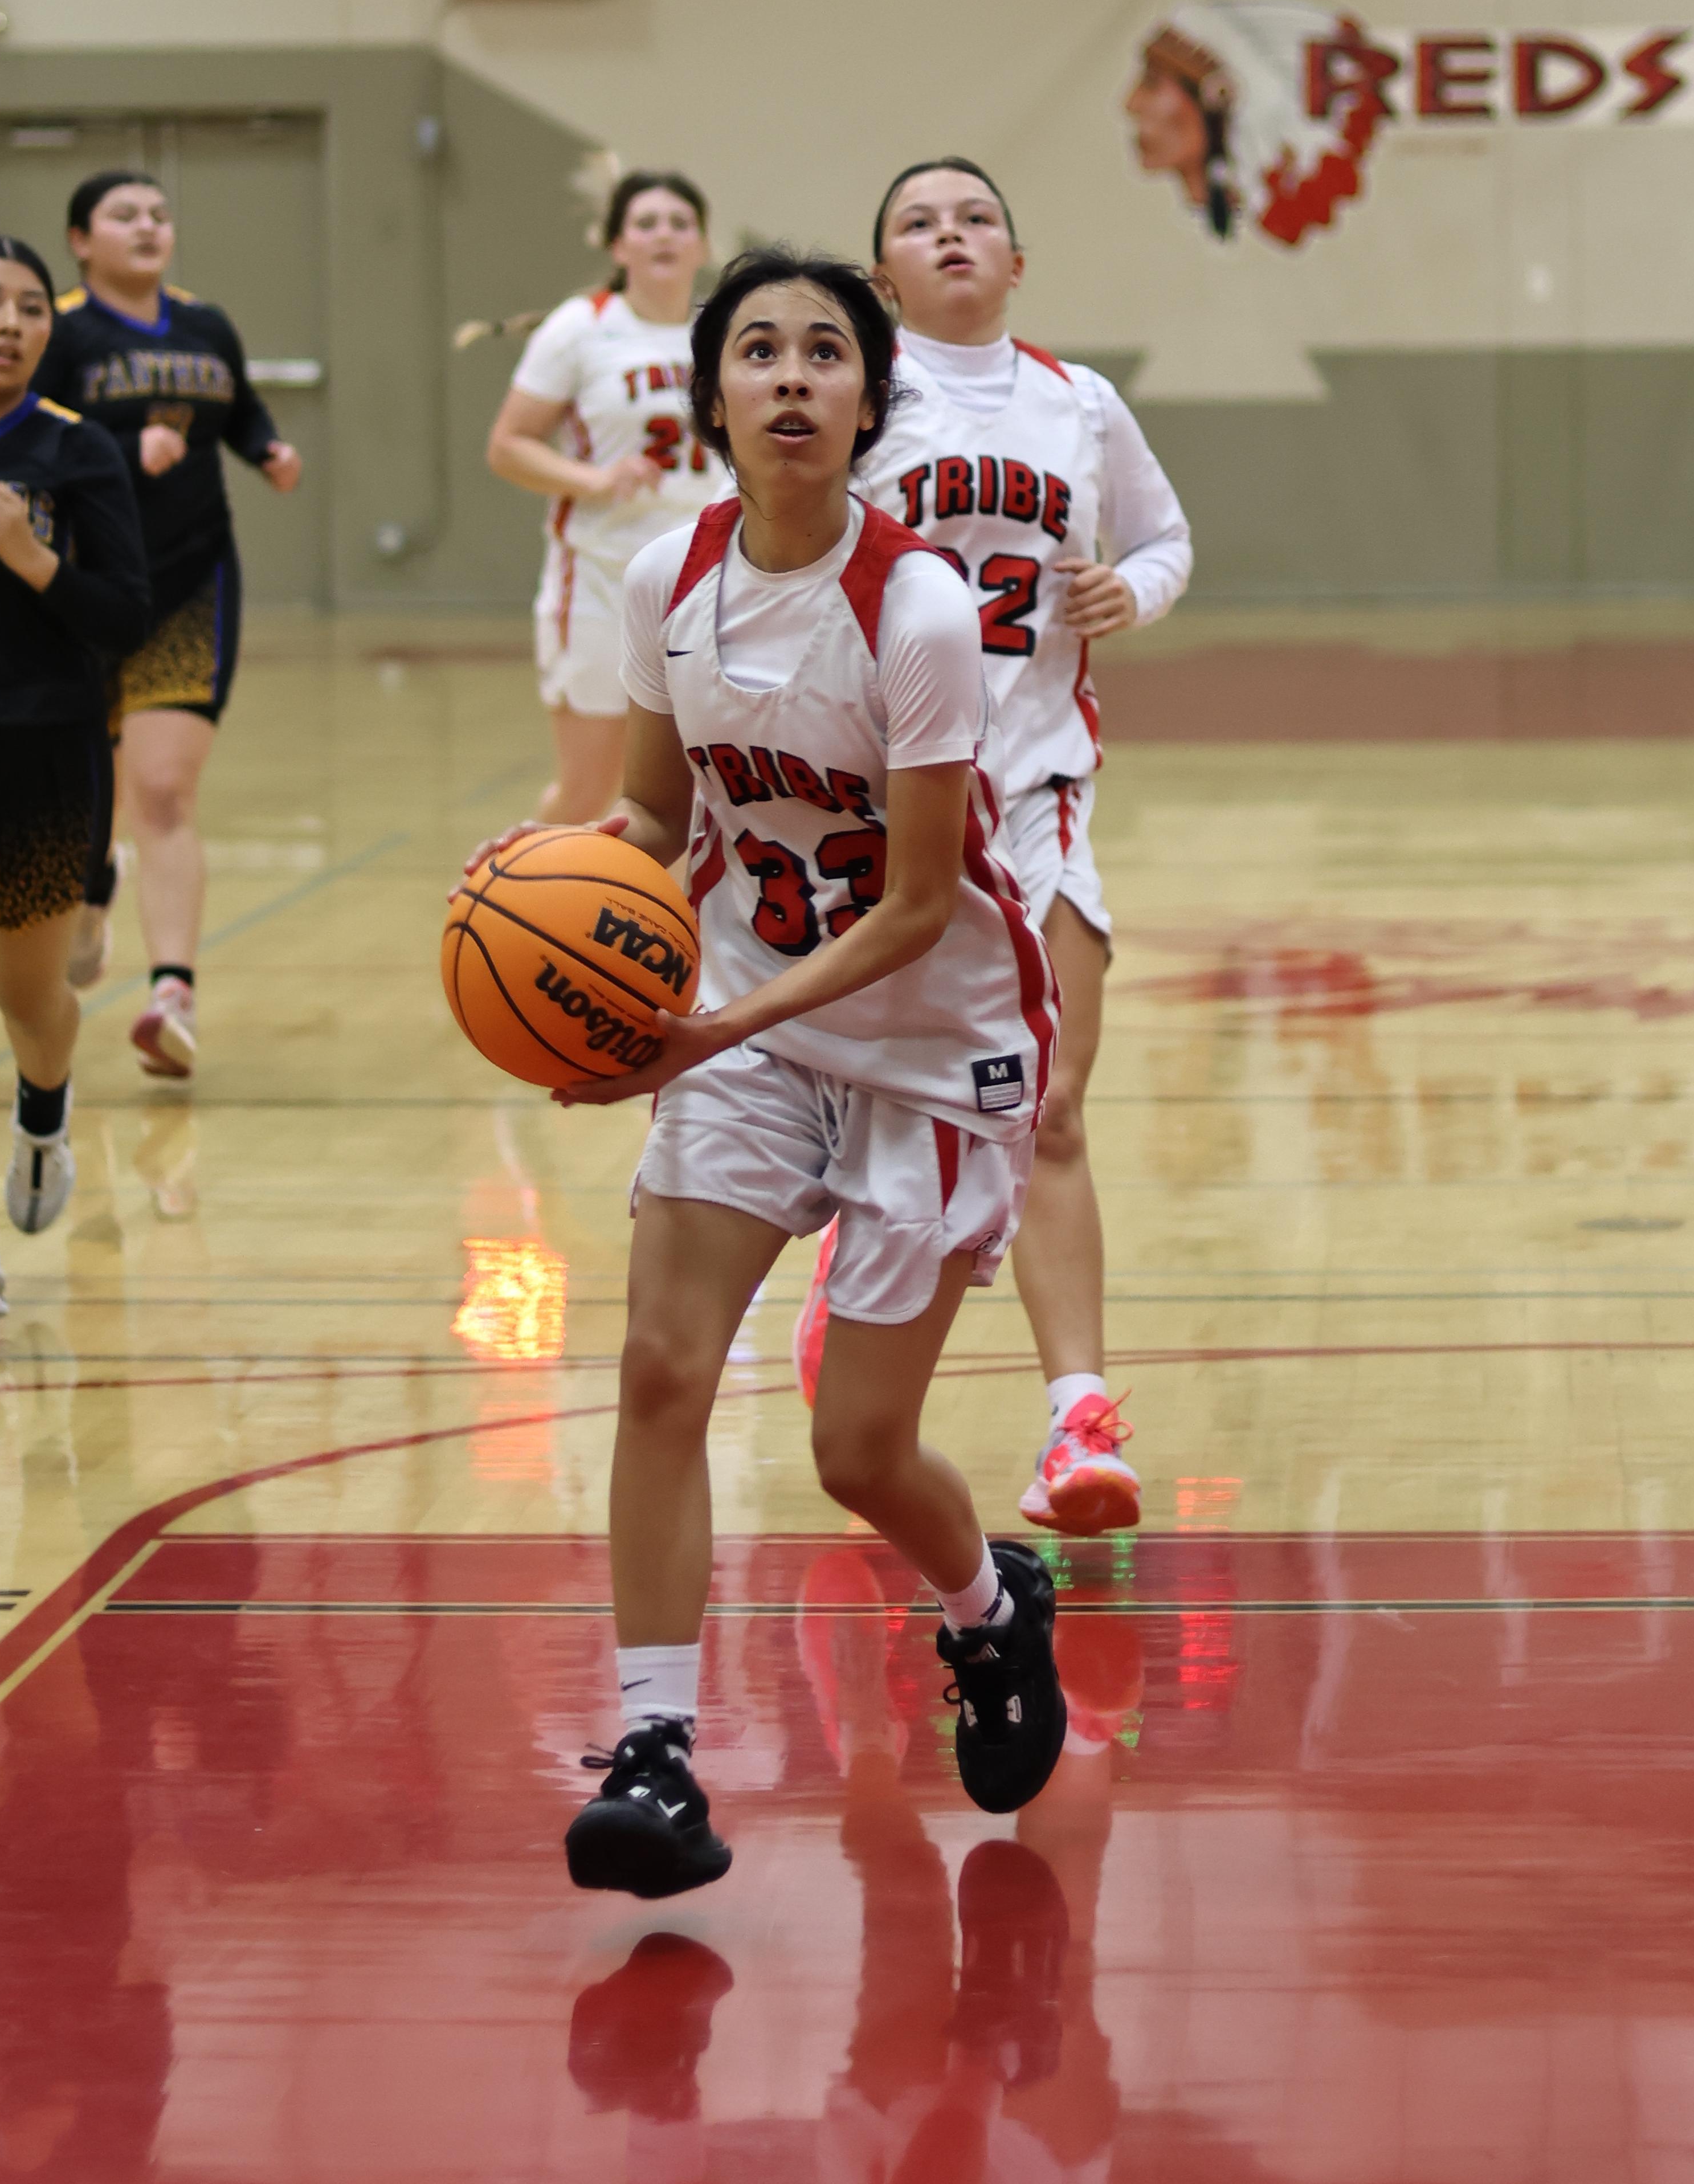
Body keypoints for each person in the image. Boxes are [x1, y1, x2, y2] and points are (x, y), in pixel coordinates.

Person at [463, 246, 1065, 1899]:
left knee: (855, 1451)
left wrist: (706, 1027)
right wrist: (548, 875)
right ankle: (655, 1748)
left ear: (868, 401)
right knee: (660, 1369)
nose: (789, 375)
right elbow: (658, 815)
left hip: (932, 1045)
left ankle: (987, 1604)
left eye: (822, 352)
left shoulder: (916, 606)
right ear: (712, 396)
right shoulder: (668, 572)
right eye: (757, 351)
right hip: (751, 1012)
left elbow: (922, 902)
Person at [819, 157, 1194, 1538]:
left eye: (974, 217)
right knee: (883, 1099)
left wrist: (1126, 592)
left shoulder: (1077, 402)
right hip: (883, 798)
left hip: (1034, 785)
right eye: (917, 222)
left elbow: (1164, 540)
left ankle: (1076, 1418)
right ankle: (850, 1285)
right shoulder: (855, 400)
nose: (950, 235)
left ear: (1015, 260)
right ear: (883, 277)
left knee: (1052, 1103)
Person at [0, 235, 148, 1322]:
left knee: (32, 997)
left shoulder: (77, 450)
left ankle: (45, 1109)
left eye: (30, 307)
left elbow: (124, 617)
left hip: (50, 753)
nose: (11, 323)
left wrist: (34, 559)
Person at [35, 170, 301, 1077]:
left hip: (189, 581)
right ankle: (93, 884)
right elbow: (27, 442)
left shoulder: (205, 324)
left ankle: (171, 997)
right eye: (124, 215)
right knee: (85, 800)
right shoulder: (59, 332)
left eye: (158, 213)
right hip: (78, 588)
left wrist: (267, 449)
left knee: (162, 791)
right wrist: (119, 448)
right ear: (81, 239)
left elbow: (241, 410)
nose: (148, 226)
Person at [484, 170, 731, 826]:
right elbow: (507, 445)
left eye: (680, 224)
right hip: (601, 579)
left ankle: (666, 902)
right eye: (646, 224)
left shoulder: (721, 332)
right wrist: (592, 480)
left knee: (697, 794)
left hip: (703, 585)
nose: (664, 236)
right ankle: (519, 888)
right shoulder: (580, 327)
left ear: (703, 245)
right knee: (589, 790)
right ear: (619, 246)